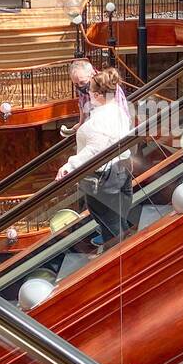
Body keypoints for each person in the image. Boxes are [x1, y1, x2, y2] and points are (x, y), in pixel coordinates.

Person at [56, 67, 133, 250]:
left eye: (89, 90)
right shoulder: (117, 110)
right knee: (118, 221)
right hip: (122, 170)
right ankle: (124, 254)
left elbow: (94, 149)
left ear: (98, 94)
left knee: (111, 226)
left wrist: (69, 165)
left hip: (105, 179)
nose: (87, 93)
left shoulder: (101, 120)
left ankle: (118, 261)